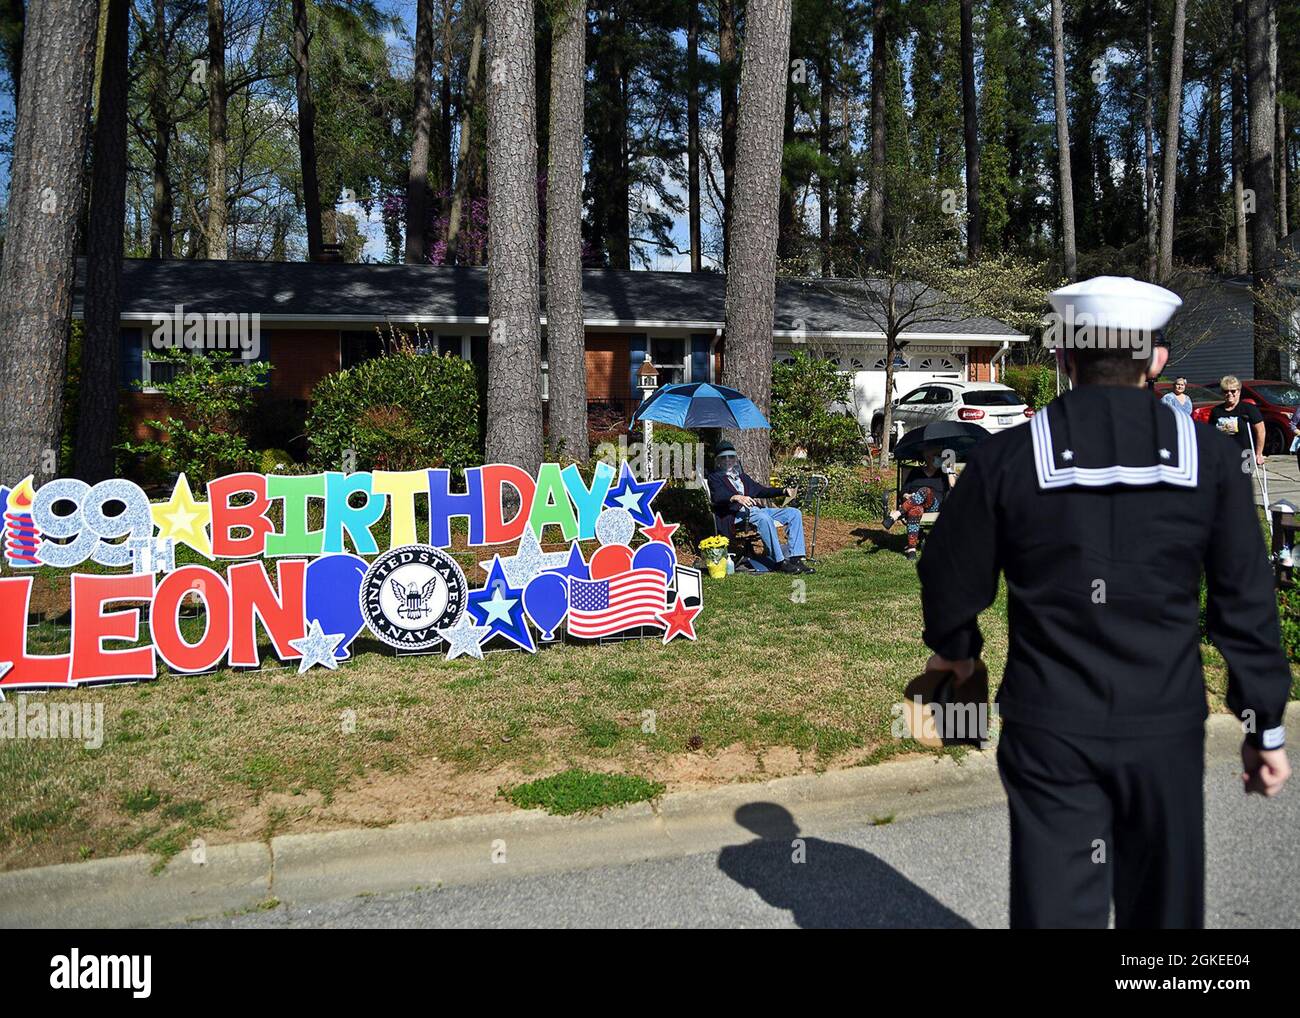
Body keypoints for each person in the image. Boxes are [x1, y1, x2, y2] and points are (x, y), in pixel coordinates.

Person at [918, 276, 1291, 929]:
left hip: (1048, 726)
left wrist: (958, 656)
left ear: (1064, 356)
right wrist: (1265, 726)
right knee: (1165, 915)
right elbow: (1245, 600)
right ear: (1157, 361)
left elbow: (948, 575)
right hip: (1165, 727)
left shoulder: (1007, 456)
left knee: (1056, 910)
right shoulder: (1206, 457)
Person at [707, 440, 813, 574]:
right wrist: (735, 497)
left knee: (794, 513)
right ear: (718, 461)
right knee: (763, 518)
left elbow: (761, 490)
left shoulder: (742, 477)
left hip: (755, 511)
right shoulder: (715, 477)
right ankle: (780, 561)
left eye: (731, 457)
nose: (728, 460)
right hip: (734, 514)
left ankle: (796, 558)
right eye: (724, 457)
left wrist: (783, 491)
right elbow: (718, 496)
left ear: (735, 459)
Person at [882, 445, 957, 560]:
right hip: (914, 504)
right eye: (935, 455)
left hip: (933, 505)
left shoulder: (943, 474)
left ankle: (897, 513)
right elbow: (904, 491)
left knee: (925, 490)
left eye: (939, 456)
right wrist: (908, 496)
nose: (938, 458)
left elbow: (954, 487)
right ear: (927, 457)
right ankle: (911, 549)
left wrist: (949, 470)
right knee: (915, 509)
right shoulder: (915, 472)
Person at [1208, 374, 1266, 470]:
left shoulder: (1249, 409)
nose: (1229, 394)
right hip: (1223, 455)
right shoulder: (1216, 411)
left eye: (1233, 391)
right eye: (1226, 391)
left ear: (1239, 391)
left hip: (1245, 454)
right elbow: (1211, 434)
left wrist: (1259, 453)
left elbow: (1261, 431)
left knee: (1242, 482)